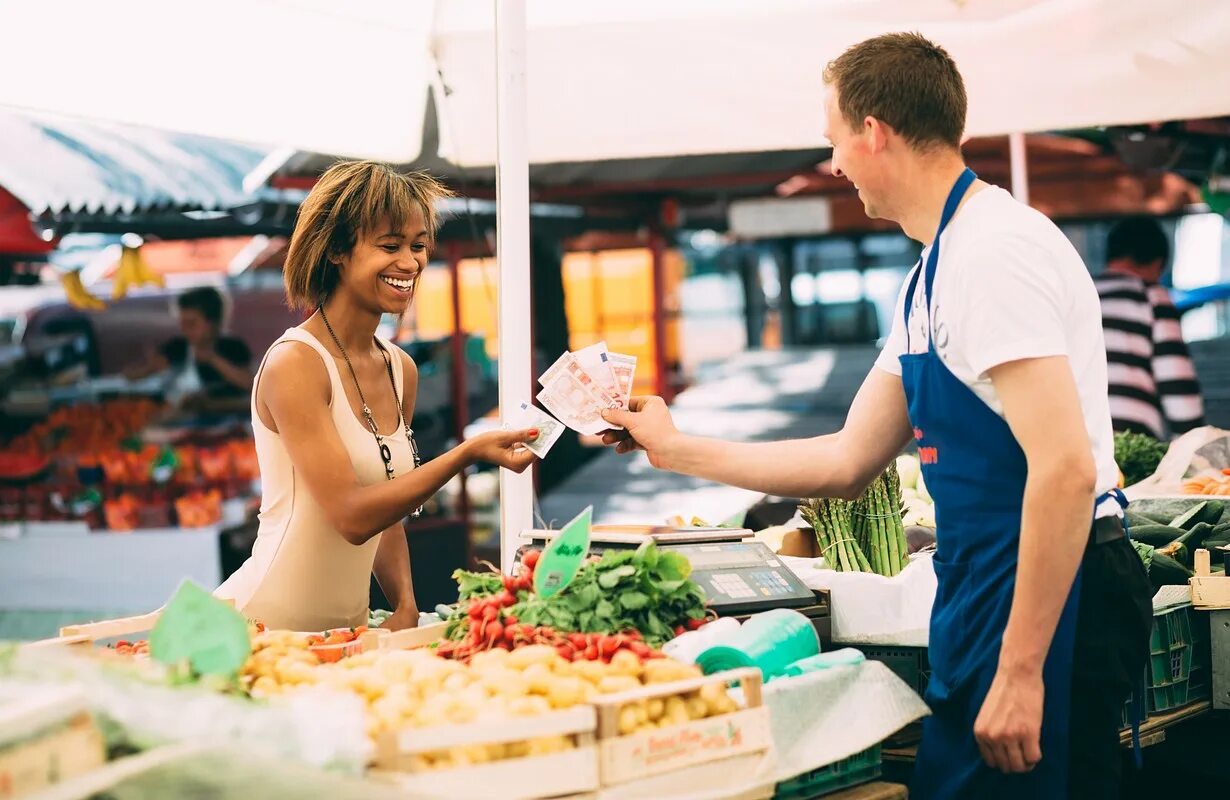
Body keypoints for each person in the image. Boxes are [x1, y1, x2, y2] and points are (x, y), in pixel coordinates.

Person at [601, 33, 1151, 800]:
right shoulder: (931, 273)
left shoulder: (993, 253)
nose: (834, 164)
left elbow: (1065, 468)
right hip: (980, 588)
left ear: (873, 131)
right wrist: (673, 447)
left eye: (834, 140)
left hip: (1054, 598)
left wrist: (1022, 674)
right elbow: (846, 460)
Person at [215, 161, 537, 632]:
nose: (409, 263)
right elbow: (351, 516)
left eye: (418, 246)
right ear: (337, 251)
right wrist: (465, 454)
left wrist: (406, 602)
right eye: (389, 246)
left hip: (348, 631)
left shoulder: (398, 368)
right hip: (263, 627)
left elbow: (388, 507)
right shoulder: (296, 364)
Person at [1095, 216, 1204, 439]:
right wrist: (1192, 453)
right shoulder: (1151, 296)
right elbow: (1177, 386)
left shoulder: (1081, 294)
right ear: (1158, 263)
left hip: (1076, 442)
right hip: (1129, 443)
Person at [126, 286, 254, 412]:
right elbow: (131, 376)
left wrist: (213, 359)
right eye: (183, 324)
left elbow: (250, 384)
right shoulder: (177, 348)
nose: (185, 330)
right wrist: (149, 368)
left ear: (213, 323)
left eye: (192, 324)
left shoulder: (233, 347)